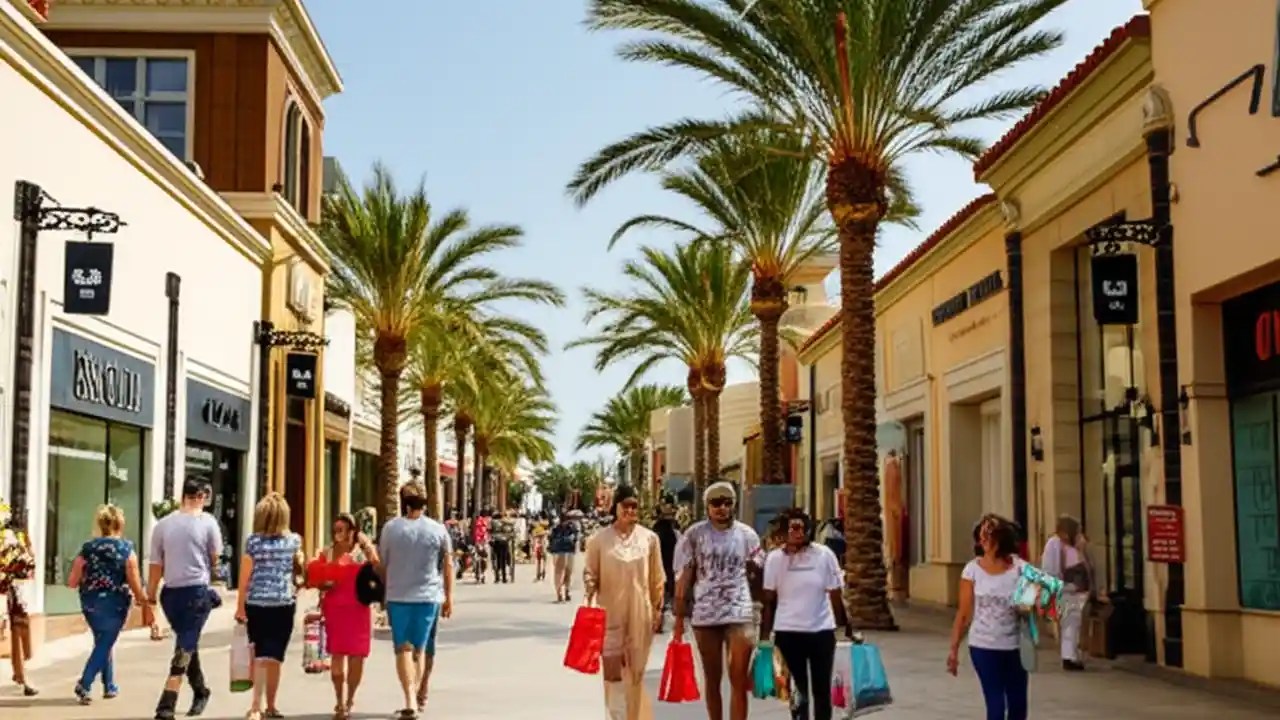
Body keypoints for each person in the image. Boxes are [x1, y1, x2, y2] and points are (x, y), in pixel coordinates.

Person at [673, 482, 763, 720]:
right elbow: (684, 577)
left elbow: (760, 573)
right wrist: (679, 619)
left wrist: (762, 607)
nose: (722, 508)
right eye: (716, 503)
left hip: (739, 611)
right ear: (707, 506)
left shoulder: (747, 535)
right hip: (706, 613)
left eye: (727, 502)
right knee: (712, 679)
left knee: (739, 679)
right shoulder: (694, 535)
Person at [584, 485, 664, 720]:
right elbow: (590, 573)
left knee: (635, 675)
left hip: (641, 617)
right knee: (613, 675)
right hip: (609, 617)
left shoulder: (649, 539)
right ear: (616, 507)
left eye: (634, 506)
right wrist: (589, 590)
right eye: (625, 505)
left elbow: (657, 579)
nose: (630, 510)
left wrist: (657, 610)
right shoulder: (599, 540)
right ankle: (616, 716)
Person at [760, 509, 849, 720]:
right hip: (788, 633)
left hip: (821, 631)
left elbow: (835, 594)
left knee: (822, 689)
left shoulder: (824, 555)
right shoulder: (774, 559)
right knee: (797, 692)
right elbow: (769, 600)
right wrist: (764, 637)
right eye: (792, 528)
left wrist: (846, 627)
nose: (797, 533)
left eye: (801, 528)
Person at [147, 479, 222, 720]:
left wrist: (150, 598)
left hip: (171, 594)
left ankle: (167, 704)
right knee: (188, 645)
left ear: (182, 496)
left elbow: (155, 565)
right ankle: (198, 692)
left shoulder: (162, 525)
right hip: (196, 592)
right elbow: (215, 558)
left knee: (185, 644)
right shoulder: (208, 522)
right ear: (201, 496)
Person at [379, 483, 454, 719]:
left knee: (403, 648)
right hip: (428, 597)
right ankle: (417, 695)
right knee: (420, 650)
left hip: (398, 596)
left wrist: (384, 594)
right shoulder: (438, 530)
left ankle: (410, 699)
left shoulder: (390, 529)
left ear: (404, 503)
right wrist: (449, 597)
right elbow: (448, 564)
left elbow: (383, 564)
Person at [68, 505, 153, 703]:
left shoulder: (87, 548)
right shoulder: (126, 549)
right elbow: (134, 579)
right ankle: (85, 683)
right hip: (115, 603)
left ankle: (109, 685)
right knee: (106, 641)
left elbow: (73, 580)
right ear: (120, 524)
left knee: (103, 641)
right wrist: (143, 600)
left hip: (90, 602)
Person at [947, 514, 1027, 720]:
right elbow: (964, 613)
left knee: (1018, 705)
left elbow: (1038, 603)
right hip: (983, 645)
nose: (983, 540)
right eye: (981, 535)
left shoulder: (1020, 568)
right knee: (996, 704)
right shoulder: (972, 570)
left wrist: (1027, 605)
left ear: (1000, 539)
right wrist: (954, 650)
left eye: (988, 535)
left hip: (1014, 647)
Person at [235, 493, 304, 720]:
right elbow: (299, 570)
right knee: (275, 657)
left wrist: (240, 607)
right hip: (283, 603)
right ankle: (272, 706)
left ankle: (256, 706)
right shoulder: (294, 541)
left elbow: (245, 577)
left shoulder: (253, 542)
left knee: (259, 655)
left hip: (257, 603)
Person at [319, 513, 379, 718]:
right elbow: (319, 578)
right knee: (337, 655)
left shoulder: (361, 553)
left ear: (352, 531)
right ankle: (339, 701)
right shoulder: (328, 552)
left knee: (357, 657)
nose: (337, 533)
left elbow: (377, 566)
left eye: (341, 529)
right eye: (335, 529)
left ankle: (350, 698)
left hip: (359, 609)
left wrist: (366, 544)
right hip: (335, 609)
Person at [1041, 515, 1092, 671]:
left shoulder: (1068, 545)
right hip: (1066, 589)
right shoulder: (1055, 544)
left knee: (1073, 623)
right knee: (1070, 623)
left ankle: (1072, 655)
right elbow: (1052, 568)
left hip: (1073, 590)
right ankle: (1069, 657)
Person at [2, 513, 38, 697]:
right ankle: (21, 675)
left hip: (15, 591)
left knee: (20, 630)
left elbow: (30, 564)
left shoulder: (16, 539)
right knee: (19, 629)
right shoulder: (10, 539)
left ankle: (20, 674)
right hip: (11, 591)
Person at [650, 501, 682, 634]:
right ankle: (660, 619)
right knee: (666, 596)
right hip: (669, 568)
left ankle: (658, 619)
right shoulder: (675, 534)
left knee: (659, 595)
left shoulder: (654, 533)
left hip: (658, 568)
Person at [549, 514, 580, 603]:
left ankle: (564, 592)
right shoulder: (560, 528)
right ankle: (562, 592)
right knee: (564, 573)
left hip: (564, 551)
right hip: (563, 551)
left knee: (564, 572)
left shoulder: (571, 528)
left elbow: (551, 539)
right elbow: (575, 539)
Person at [490, 510, 515, 584]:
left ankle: (497, 577)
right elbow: (510, 530)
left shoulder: (493, 522)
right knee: (503, 559)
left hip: (496, 541)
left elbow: (490, 530)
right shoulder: (506, 522)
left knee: (497, 559)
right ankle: (504, 577)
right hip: (504, 541)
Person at [531, 515, 549, 582]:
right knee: (543, 559)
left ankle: (539, 573)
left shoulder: (536, 529)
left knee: (539, 560)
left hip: (539, 545)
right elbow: (546, 532)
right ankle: (542, 570)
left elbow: (534, 536)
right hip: (542, 545)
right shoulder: (544, 528)